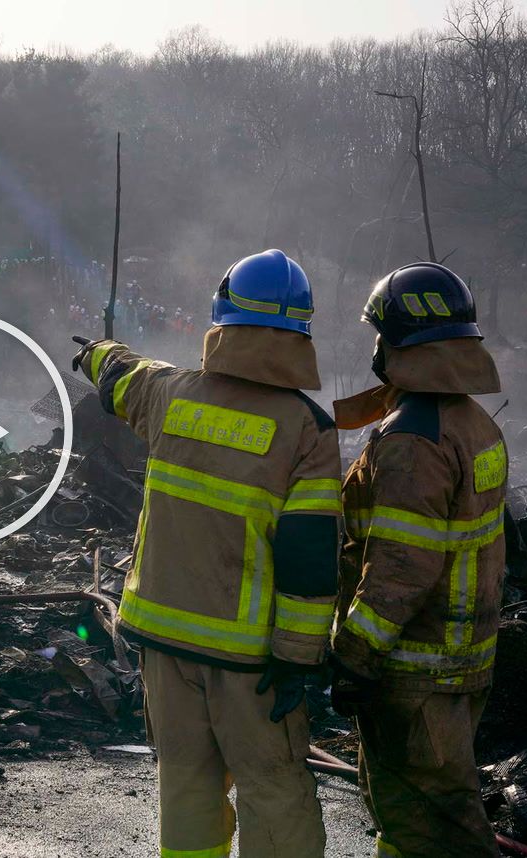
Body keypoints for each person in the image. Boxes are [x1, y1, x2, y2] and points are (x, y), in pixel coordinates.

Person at [73, 248, 341, 858]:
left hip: (165, 643)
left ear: (222, 320)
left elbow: (123, 378)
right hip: (250, 660)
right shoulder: (308, 430)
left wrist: (96, 354)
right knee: (274, 791)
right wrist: (300, 657)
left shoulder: (171, 396)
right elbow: (309, 552)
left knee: (188, 788)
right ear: (301, 328)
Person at [330, 262, 506, 858]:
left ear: (399, 342)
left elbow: (400, 570)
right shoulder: (472, 422)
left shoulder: (412, 442)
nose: (375, 347)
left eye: (380, 334)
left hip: (413, 667)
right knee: (408, 821)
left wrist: (354, 655)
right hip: (461, 659)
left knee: (437, 825)